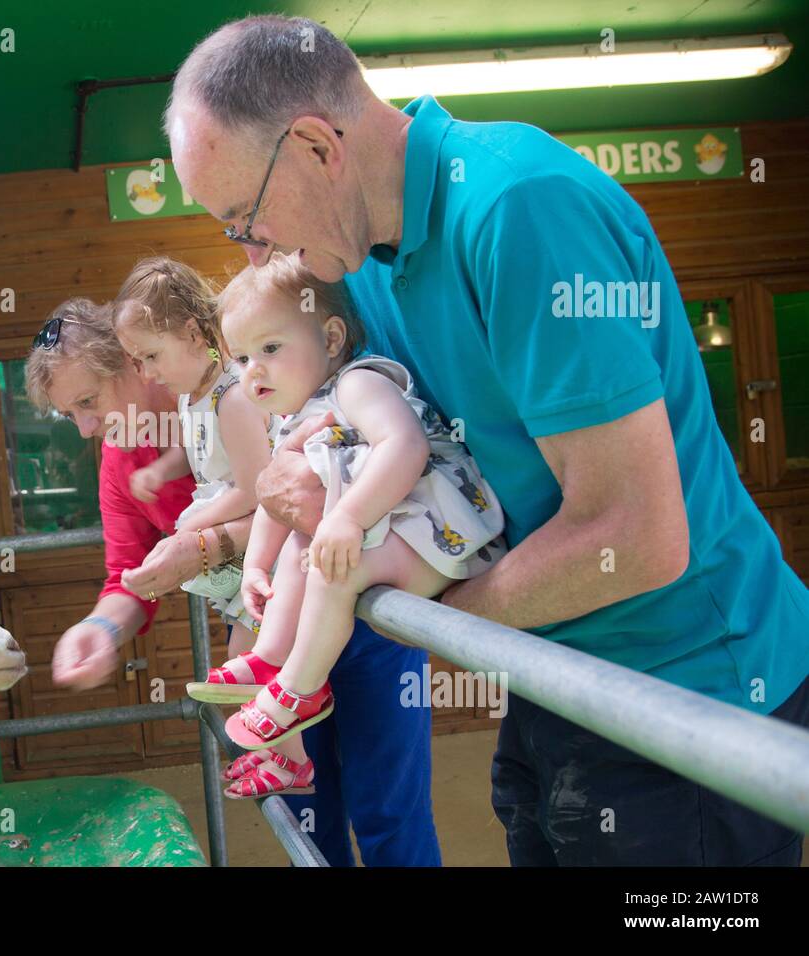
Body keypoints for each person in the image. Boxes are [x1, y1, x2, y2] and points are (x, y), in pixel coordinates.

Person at [164, 14, 809, 865]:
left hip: (688, 685)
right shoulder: (360, 265)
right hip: (553, 668)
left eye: (244, 218)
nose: (252, 254)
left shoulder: (519, 207)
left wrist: (422, 616)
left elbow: (638, 537)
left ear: (319, 147)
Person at [199, 252, 506, 762]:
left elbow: (406, 446)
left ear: (332, 339)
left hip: (443, 529)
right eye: (241, 358)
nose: (254, 371)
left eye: (270, 348)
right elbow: (278, 504)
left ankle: (302, 689)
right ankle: (271, 657)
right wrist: (254, 566)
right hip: (397, 532)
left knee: (327, 563)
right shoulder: (295, 417)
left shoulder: (356, 384)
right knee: (306, 547)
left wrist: (346, 518)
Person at [111, 256, 310, 798]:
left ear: (194, 333)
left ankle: (290, 762)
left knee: (250, 663)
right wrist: (164, 468)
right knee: (246, 661)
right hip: (237, 538)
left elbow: (255, 486)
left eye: (151, 356)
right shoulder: (191, 394)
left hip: (262, 544)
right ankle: (272, 754)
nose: (147, 373)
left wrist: (194, 522)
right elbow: (199, 449)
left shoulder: (234, 397)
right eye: (138, 361)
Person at [24, 297, 255, 693]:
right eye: (69, 414)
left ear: (134, 363)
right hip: (255, 611)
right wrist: (99, 628)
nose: (84, 428)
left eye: (87, 401)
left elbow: (297, 499)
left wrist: (206, 548)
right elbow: (127, 579)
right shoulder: (118, 463)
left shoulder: (231, 390)